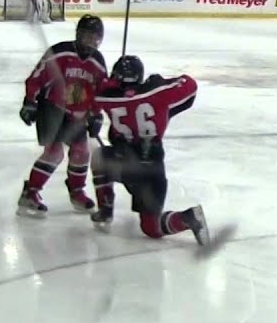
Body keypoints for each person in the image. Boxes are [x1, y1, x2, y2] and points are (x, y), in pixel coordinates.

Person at [89, 56, 210, 245]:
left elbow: (96, 91)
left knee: (100, 158)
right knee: (151, 228)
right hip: (151, 168)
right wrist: (160, 82)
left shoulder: (106, 97)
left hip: (126, 163)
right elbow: (190, 85)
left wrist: (111, 84)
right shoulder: (157, 94)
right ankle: (188, 217)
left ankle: (105, 210)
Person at [17, 15, 108, 216]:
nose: (90, 42)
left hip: (77, 114)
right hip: (53, 109)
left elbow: (100, 91)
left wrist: (96, 114)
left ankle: (77, 191)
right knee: (54, 153)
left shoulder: (98, 62)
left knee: (82, 152)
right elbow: (36, 77)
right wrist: (30, 102)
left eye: (94, 38)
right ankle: (30, 193)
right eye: (86, 36)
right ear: (78, 35)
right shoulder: (60, 53)